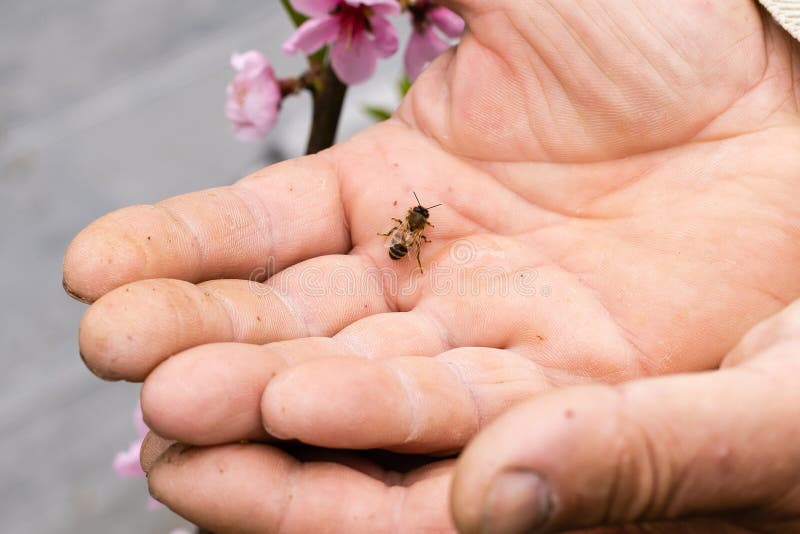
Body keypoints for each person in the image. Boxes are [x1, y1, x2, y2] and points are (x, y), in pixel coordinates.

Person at [64, 0, 800, 531]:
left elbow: (409, 235)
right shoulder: (411, 228)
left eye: (416, 224)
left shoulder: (415, 230)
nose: (415, 225)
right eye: (416, 222)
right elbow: (405, 233)